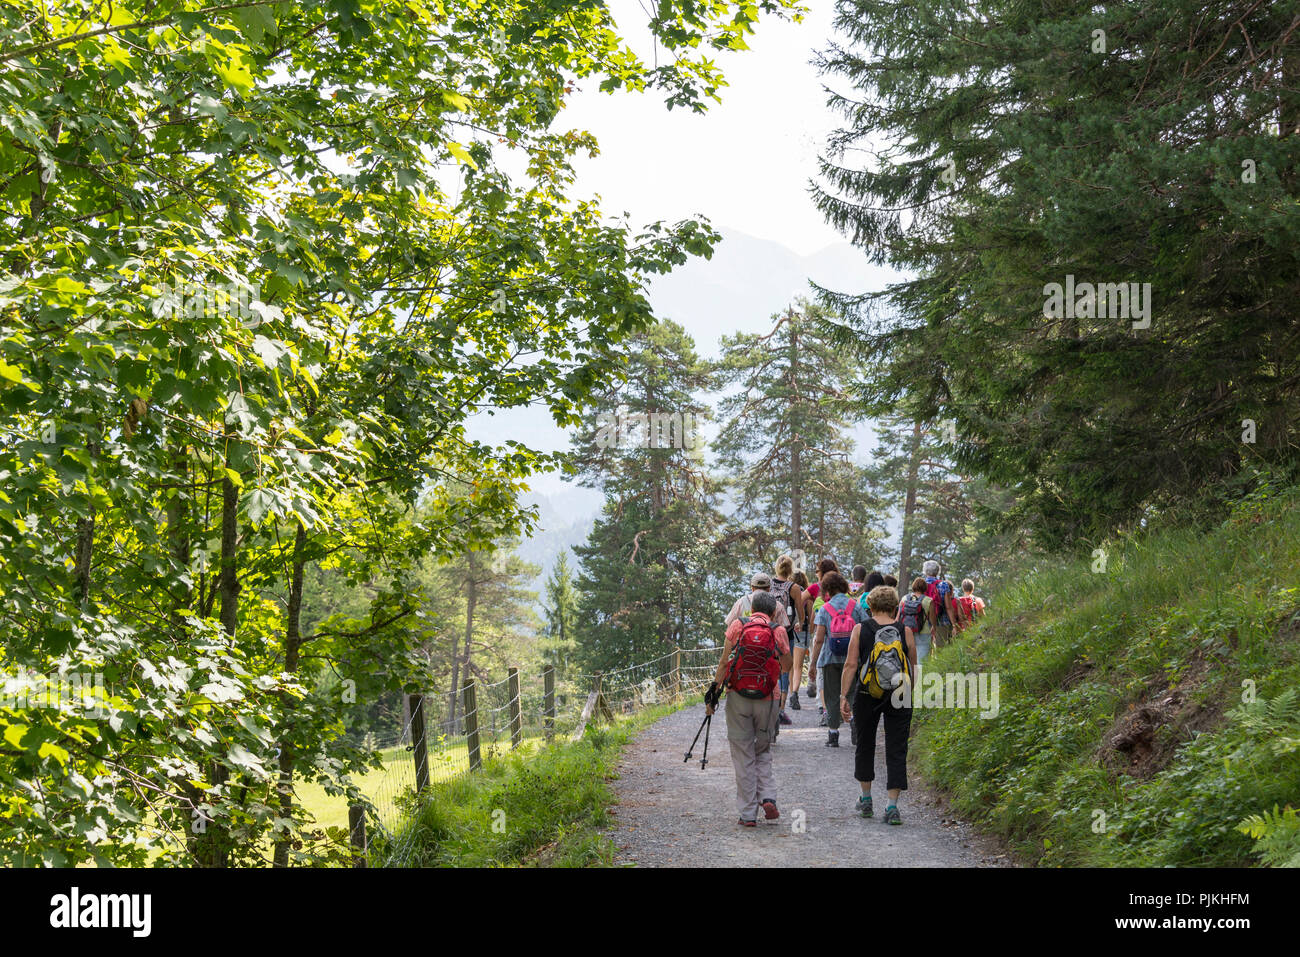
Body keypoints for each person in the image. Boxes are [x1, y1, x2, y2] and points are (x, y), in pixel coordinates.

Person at [706, 591, 792, 827]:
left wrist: (713, 694)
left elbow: (724, 662)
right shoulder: (778, 631)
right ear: (774, 612)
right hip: (768, 698)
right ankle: (768, 796)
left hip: (738, 696)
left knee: (743, 754)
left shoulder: (737, 626)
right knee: (762, 750)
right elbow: (787, 667)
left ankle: (747, 814)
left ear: (751, 609)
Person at [842, 584, 916, 825]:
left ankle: (866, 800)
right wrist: (909, 693)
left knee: (865, 744)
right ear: (895, 607)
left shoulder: (860, 628)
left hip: (866, 692)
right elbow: (912, 666)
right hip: (900, 693)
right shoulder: (905, 631)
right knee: (896, 747)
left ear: (870, 607)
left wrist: (844, 696)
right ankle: (892, 806)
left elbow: (851, 665)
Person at [807, 571, 856, 747]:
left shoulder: (825, 609)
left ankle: (833, 735)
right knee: (851, 693)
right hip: (851, 658)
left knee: (832, 696)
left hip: (829, 658)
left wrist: (813, 664)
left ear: (827, 589)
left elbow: (819, 639)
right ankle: (855, 727)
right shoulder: (854, 606)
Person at [771, 556, 804, 724]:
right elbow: (800, 610)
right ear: (790, 569)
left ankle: (770, 705)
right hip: (787, 632)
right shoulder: (794, 587)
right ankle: (781, 710)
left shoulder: (768, 584)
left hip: (770, 631)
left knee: (771, 666)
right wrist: (800, 623)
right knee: (785, 668)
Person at [922, 560, 960, 651]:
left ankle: (921, 666)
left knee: (923, 653)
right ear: (937, 571)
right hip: (942, 622)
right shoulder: (943, 585)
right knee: (942, 652)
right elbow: (948, 607)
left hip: (924, 624)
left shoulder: (920, 584)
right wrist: (955, 625)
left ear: (925, 571)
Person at [788, 569, 812, 710]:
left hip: (788, 632)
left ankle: (790, 693)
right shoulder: (807, 596)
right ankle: (795, 694)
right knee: (797, 667)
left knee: (790, 666)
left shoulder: (788, 594)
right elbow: (810, 616)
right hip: (802, 633)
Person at [900, 577, 933, 662]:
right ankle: (920, 675)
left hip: (907, 632)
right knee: (921, 661)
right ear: (925, 588)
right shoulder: (929, 600)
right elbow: (932, 620)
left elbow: (898, 617)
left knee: (907, 659)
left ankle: (909, 675)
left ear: (913, 586)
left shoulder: (904, 598)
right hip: (924, 632)